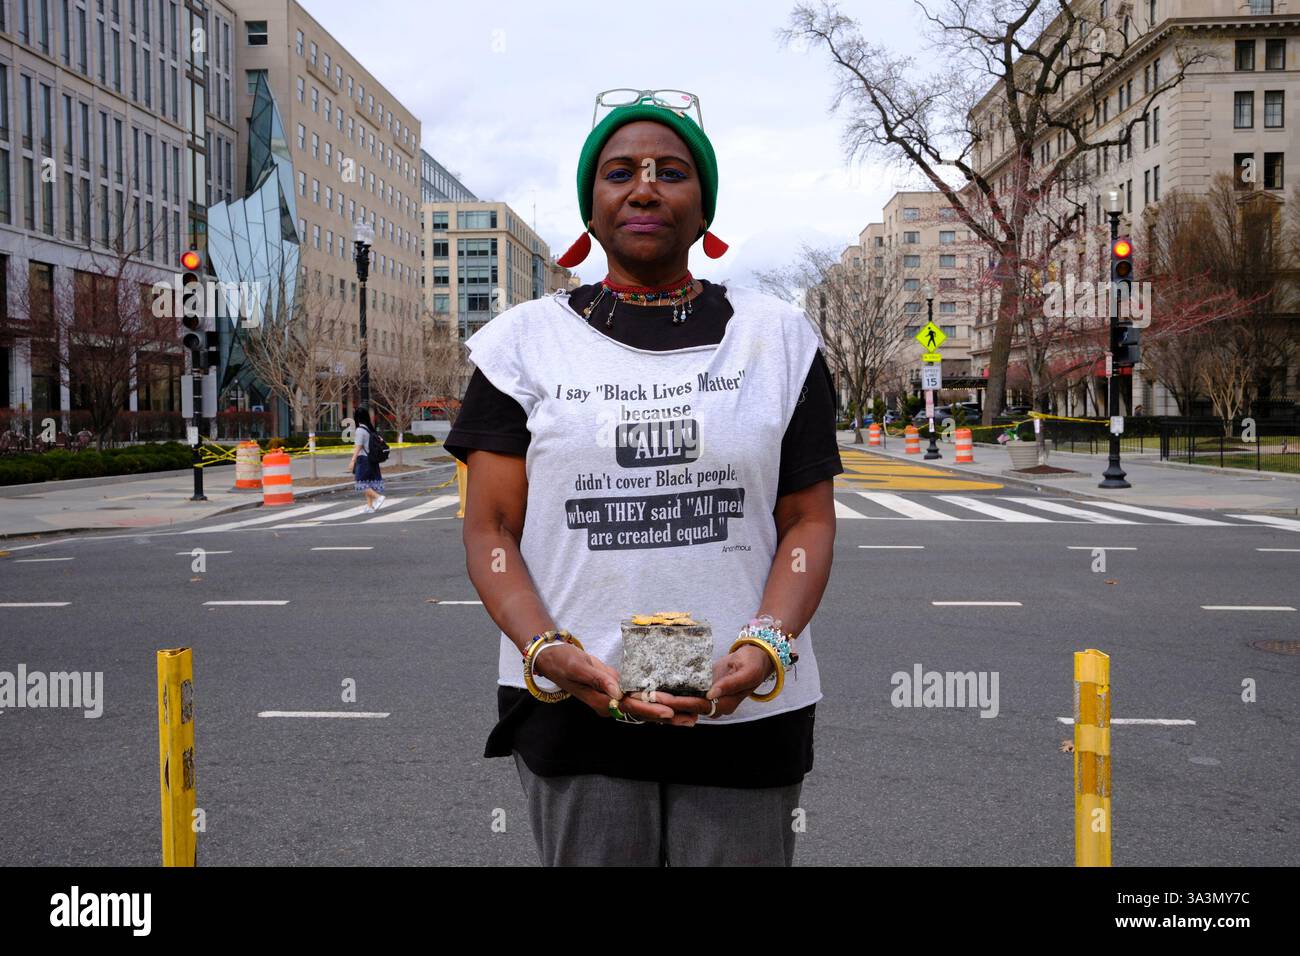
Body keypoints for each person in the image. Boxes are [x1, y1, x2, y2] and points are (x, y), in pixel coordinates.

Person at [446, 89, 842, 866]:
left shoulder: (778, 340)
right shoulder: (520, 346)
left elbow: (808, 520)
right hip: (575, 705)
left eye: (672, 171)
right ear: (591, 208)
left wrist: (766, 646)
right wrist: (546, 649)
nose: (645, 187)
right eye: (619, 172)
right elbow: (490, 529)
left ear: (704, 207)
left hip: (745, 715)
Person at [348, 407, 386, 513]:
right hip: (371, 459)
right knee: (368, 482)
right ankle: (369, 506)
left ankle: (378, 497)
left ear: (357, 418)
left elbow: (358, 446)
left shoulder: (360, 430)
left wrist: (353, 460)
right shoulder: (369, 429)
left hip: (363, 459)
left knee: (360, 482)